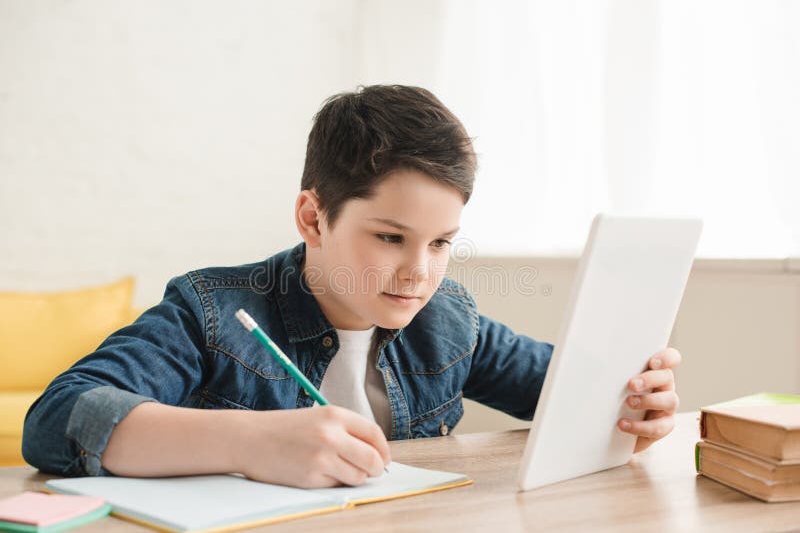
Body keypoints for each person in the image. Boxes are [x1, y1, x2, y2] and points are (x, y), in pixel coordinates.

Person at [22, 85, 681, 489]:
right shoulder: (212, 311)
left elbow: (562, 392)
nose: (419, 271)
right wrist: (250, 444)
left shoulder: (448, 319)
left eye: (442, 242)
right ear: (313, 216)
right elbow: (55, 421)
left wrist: (631, 402)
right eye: (390, 238)